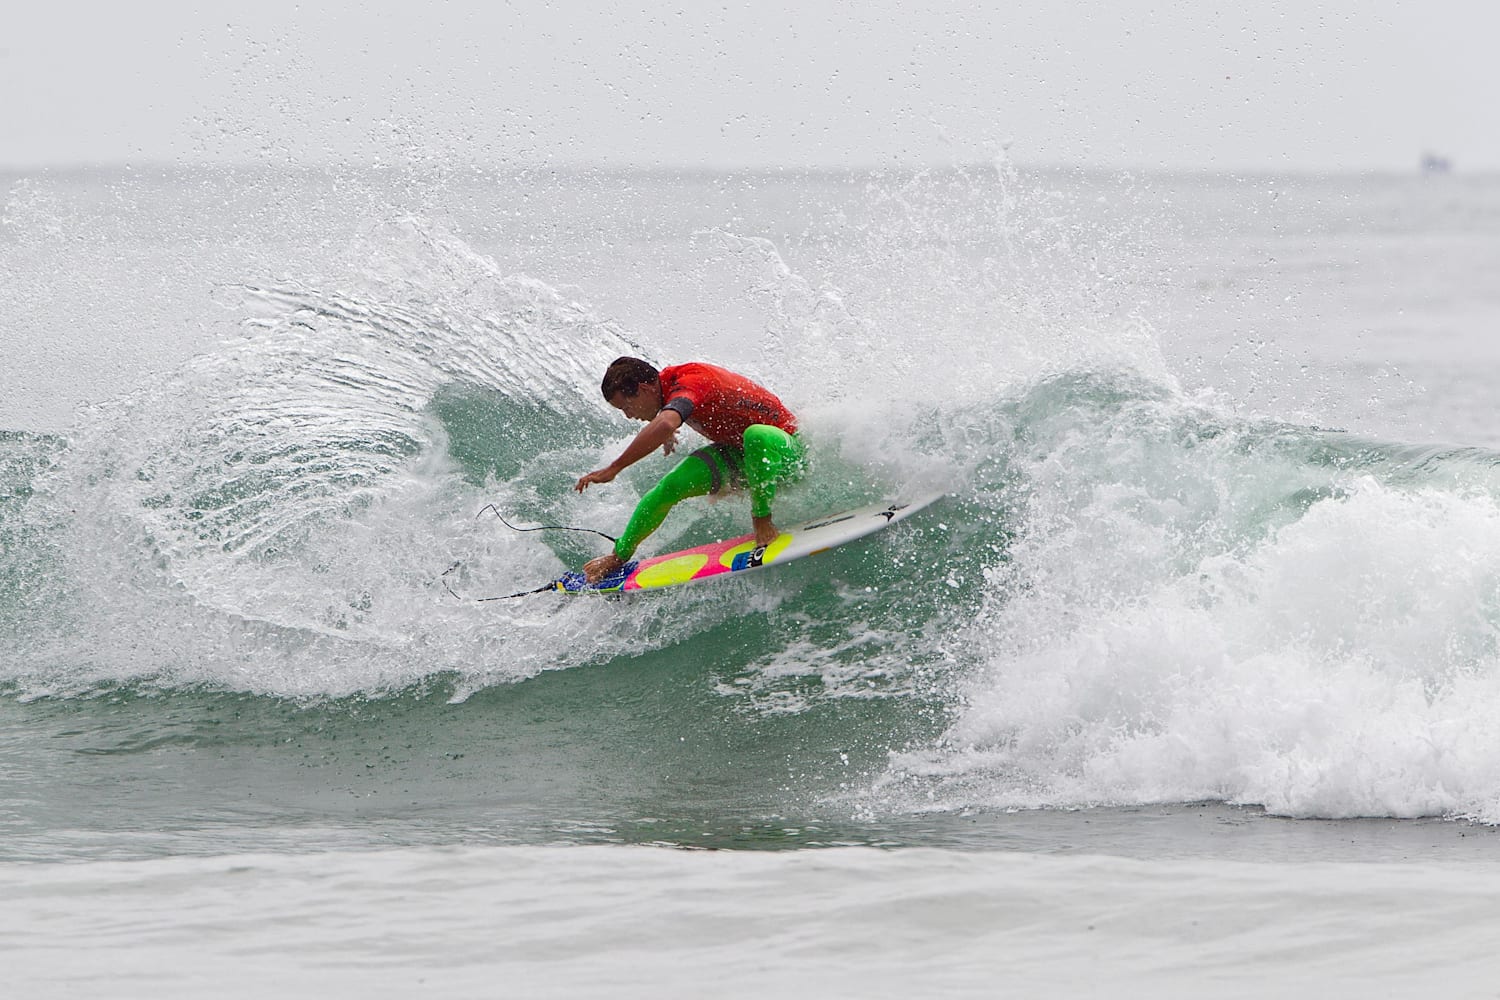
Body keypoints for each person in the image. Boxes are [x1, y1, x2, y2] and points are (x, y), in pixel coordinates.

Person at [574, 356, 805, 583]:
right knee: (671, 486)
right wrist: (665, 428)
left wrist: (614, 468)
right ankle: (619, 554)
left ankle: (763, 521)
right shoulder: (665, 386)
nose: (628, 415)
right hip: (739, 452)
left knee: (756, 434)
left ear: (644, 389)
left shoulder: (692, 381)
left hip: (785, 452)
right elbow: (668, 416)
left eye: (626, 406)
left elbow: (666, 421)